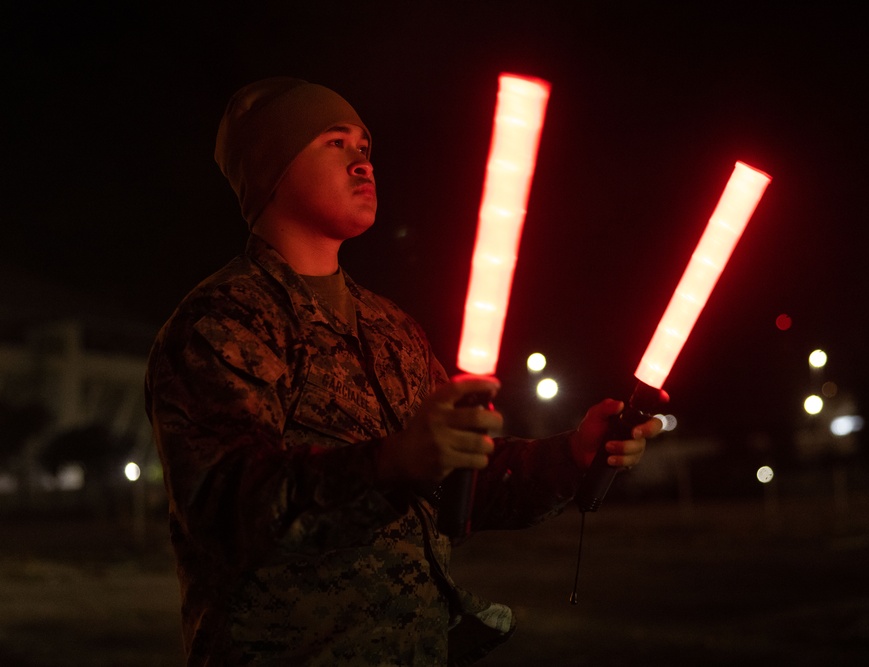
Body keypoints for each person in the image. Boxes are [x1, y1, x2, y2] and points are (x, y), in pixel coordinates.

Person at [145, 76, 662, 666]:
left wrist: (571, 455)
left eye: (365, 147)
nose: (363, 162)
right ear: (271, 169)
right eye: (334, 143)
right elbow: (226, 507)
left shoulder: (392, 329)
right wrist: (395, 461)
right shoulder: (224, 322)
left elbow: (461, 488)